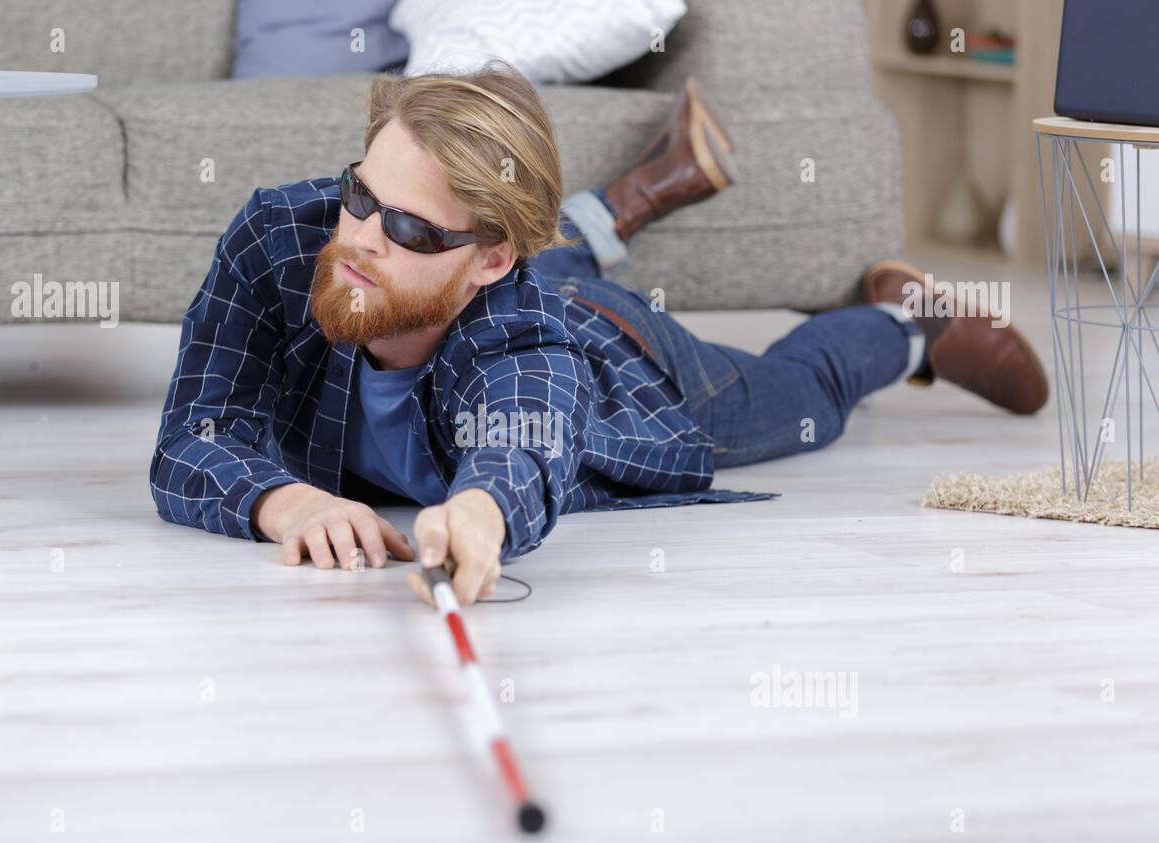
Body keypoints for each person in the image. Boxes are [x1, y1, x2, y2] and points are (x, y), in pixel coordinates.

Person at [150, 62, 1048, 606]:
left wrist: (480, 511)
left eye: (413, 230)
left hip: (629, 362)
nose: (362, 239)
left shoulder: (530, 337)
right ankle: (642, 191)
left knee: (803, 396)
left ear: (488, 261)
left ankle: (912, 323)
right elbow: (193, 432)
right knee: (518, 257)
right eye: (358, 195)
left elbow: (522, 441)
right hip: (511, 265)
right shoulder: (283, 234)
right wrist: (288, 503)